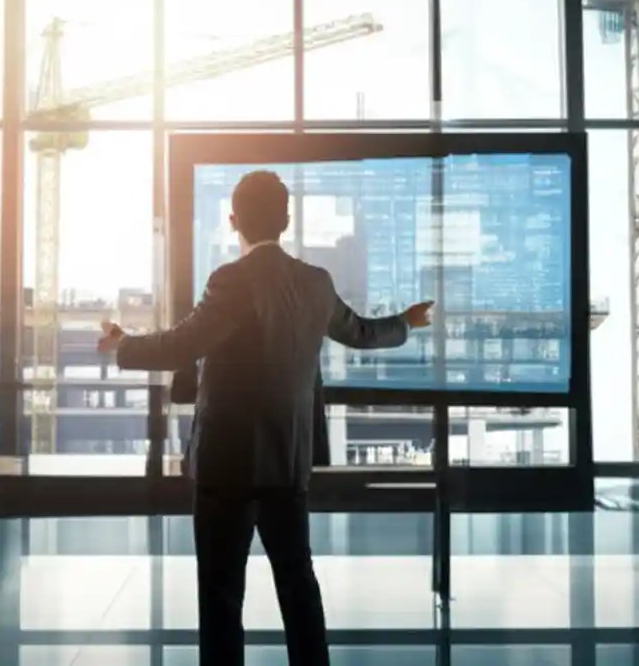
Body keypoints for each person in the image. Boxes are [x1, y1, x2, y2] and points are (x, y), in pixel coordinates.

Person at [97, 170, 433, 666]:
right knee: (298, 584)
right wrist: (406, 322)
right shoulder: (316, 283)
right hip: (286, 461)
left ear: (234, 221)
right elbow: (361, 333)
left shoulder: (230, 281)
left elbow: (181, 345)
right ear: (286, 220)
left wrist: (121, 346)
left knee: (220, 594)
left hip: (225, 466)